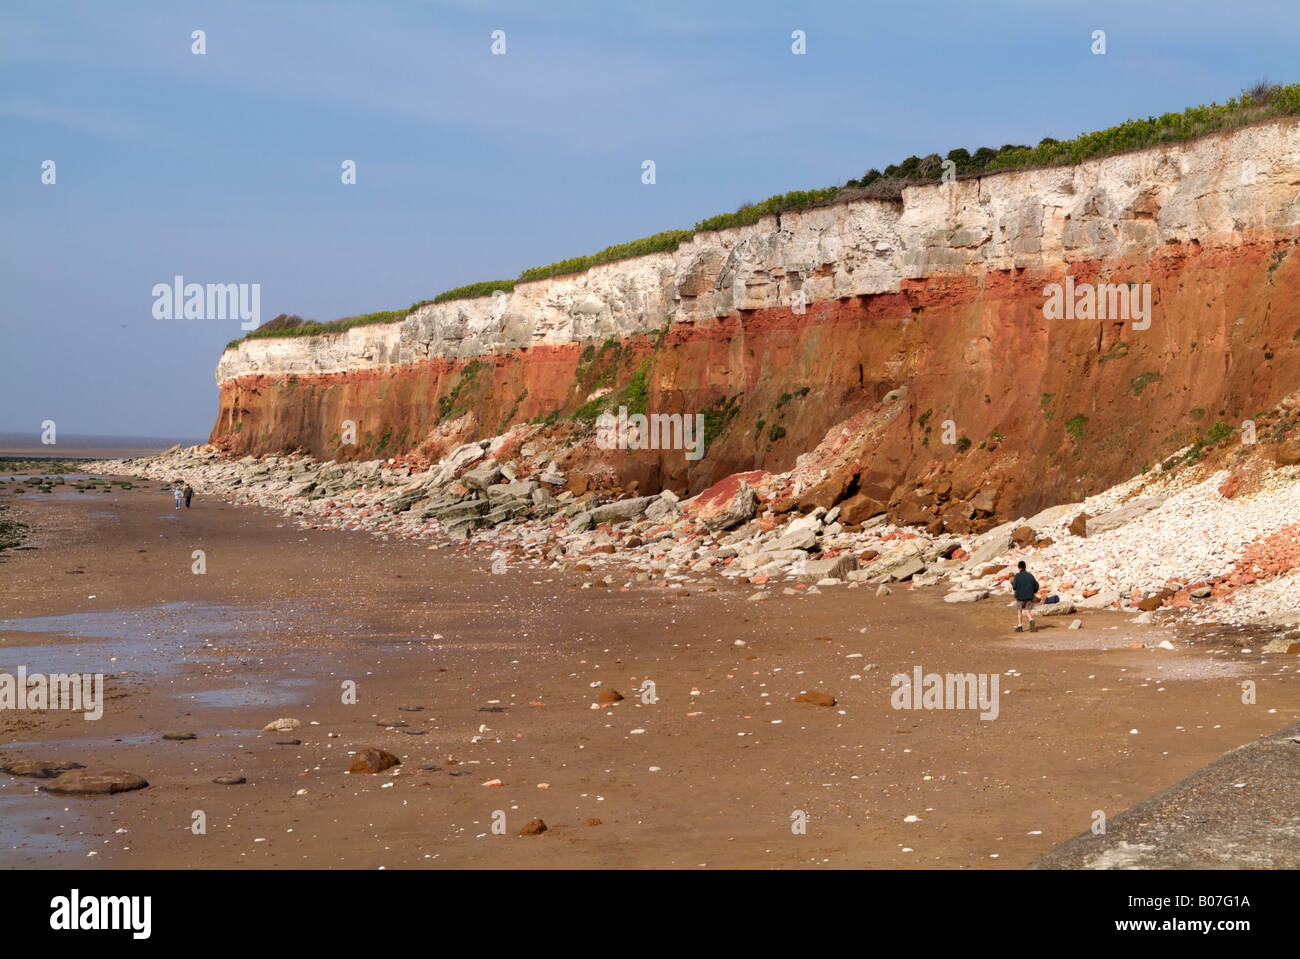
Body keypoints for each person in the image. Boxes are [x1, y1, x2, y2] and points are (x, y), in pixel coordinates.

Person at [1012, 560, 1039, 632]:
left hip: (1020, 597)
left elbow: (1014, 587)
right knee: (1027, 611)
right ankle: (1031, 619)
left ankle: (1020, 626)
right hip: (1029, 596)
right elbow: (1036, 586)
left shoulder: (1017, 576)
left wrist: (1012, 583)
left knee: (1019, 611)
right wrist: (1034, 591)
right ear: (1025, 567)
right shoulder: (1030, 576)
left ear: (1019, 568)